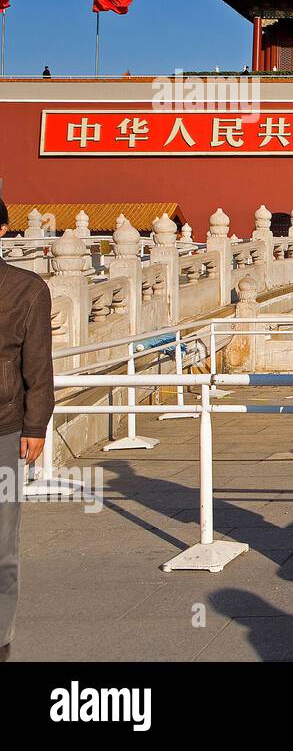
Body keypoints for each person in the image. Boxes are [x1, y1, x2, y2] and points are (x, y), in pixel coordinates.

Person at [0, 198, 54, 662]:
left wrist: (35, 423)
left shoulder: (26, 289)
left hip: (4, 428)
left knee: (1, 544)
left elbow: (37, 364)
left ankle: (0, 640)